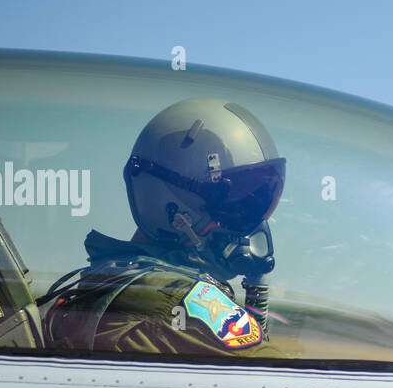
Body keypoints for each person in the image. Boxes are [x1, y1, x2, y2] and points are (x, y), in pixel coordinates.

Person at [42, 99, 287, 356]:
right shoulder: (183, 299)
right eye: (236, 206)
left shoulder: (114, 278)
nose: (252, 224)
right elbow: (281, 380)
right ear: (175, 212)